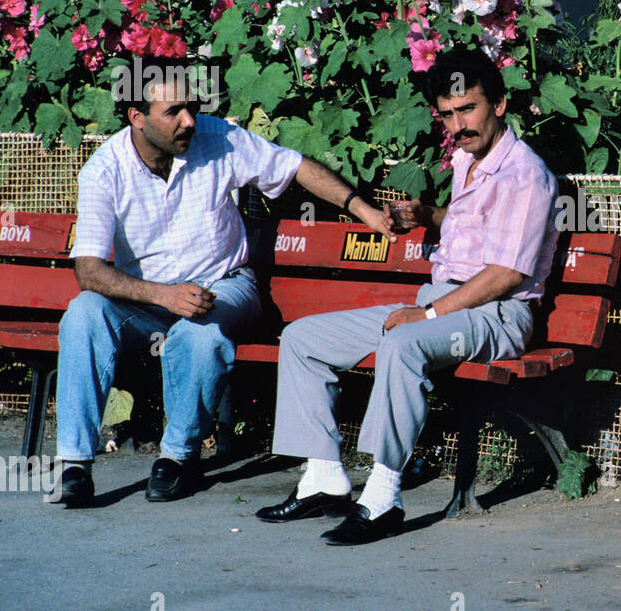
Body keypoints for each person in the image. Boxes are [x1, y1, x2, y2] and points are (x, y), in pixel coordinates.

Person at [52, 56, 392, 507]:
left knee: (199, 328)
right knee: (83, 313)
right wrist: (162, 295)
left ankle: (178, 459)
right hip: (150, 299)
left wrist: (363, 209)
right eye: (172, 111)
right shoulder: (104, 170)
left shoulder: (219, 137)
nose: (189, 120)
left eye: (190, 106)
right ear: (137, 118)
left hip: (225, 285)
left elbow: (295, 167)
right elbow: (89, 272)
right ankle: (74, 464)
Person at [256, 47, 559, 545]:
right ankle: (325, 477)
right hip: (445, 301)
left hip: (496, 315)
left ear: (500, 104)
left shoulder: (524, 174)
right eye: (448, 114)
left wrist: (430, 311)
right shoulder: (469, 159)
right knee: (303, 338)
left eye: (468, 109)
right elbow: (479, 231)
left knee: (404, 341)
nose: (458, 125)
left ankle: (381, 496)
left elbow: (508, 272)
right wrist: (429, 216)